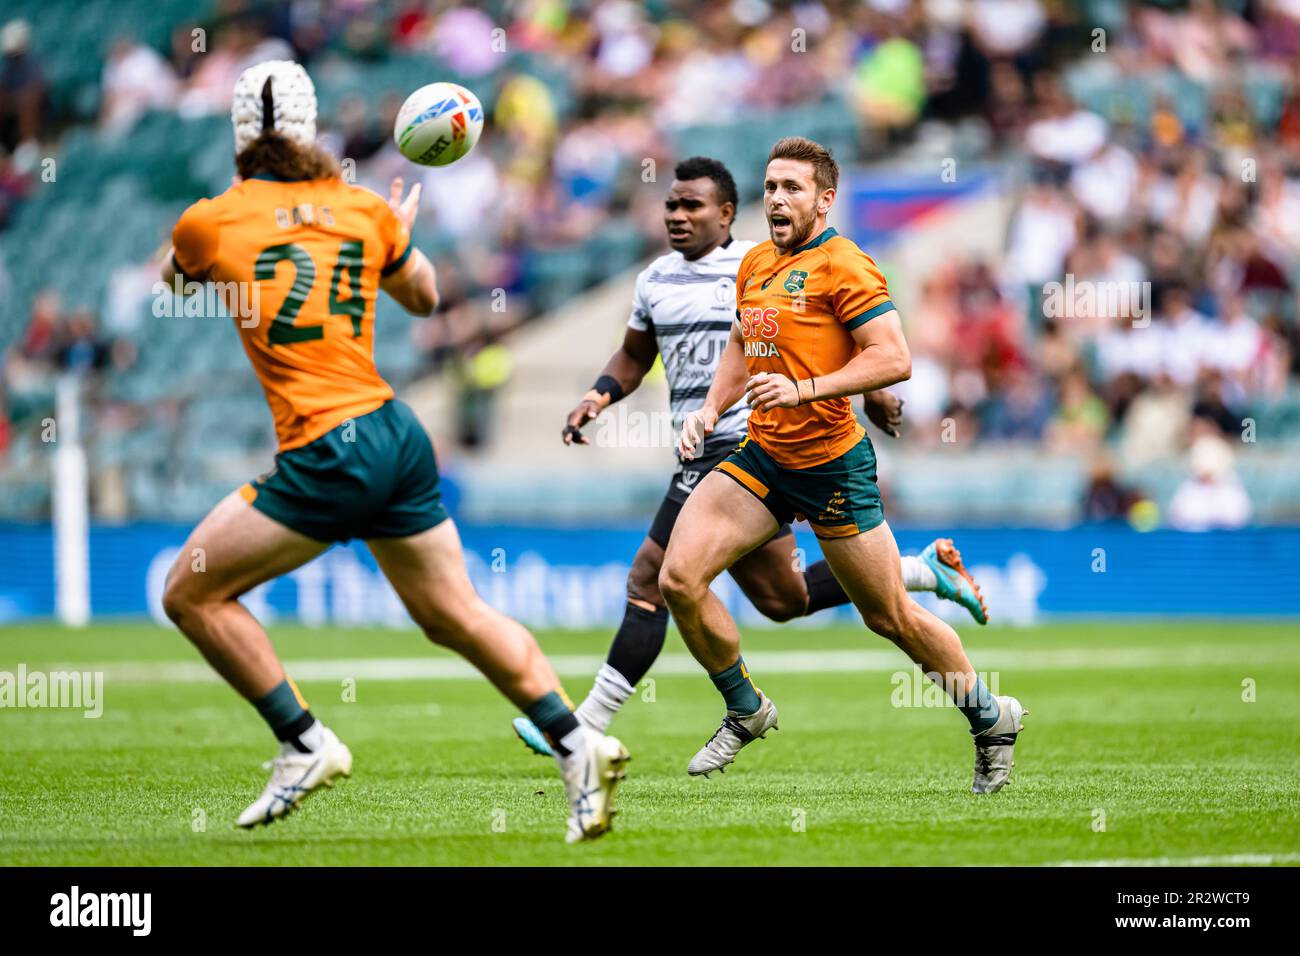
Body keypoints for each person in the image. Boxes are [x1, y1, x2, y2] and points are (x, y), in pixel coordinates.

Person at [159, 61, 627, 843]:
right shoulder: (362, 209)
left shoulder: (209, 219)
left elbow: (175, 287)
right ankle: (579, 746)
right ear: (313, 132)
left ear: (239, 135)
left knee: (190, 593)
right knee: (457, 616)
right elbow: (426, 298)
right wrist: (392, 239)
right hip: (394, 432)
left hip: (323, 448)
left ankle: (305, 742)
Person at [511, 156, 988, 758]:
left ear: (727, 214)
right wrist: (599, 395)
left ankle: (581, 729)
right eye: (671, 205)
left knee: (653, 577)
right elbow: (642, 353)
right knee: (780, 600)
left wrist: (870, 393)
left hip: (755, 440)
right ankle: (919, 573)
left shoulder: (772, 258)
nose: (677, 216)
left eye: (692, 206)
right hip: (713, 442)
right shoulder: (656, 279)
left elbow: (840, 338)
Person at [665, 137, 1026, 791]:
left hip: (832, 463)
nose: (777, 198)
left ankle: (991, 718)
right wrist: (711, 408)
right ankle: (745, 709)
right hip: (764, 454)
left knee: (889, 617)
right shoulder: (755, 265)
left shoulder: (846, 266)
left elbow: (894, 358)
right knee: (677, 579)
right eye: (771, 186)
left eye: (792, 188)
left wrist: (806, 390)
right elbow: (744, 346)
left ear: (825, 199)